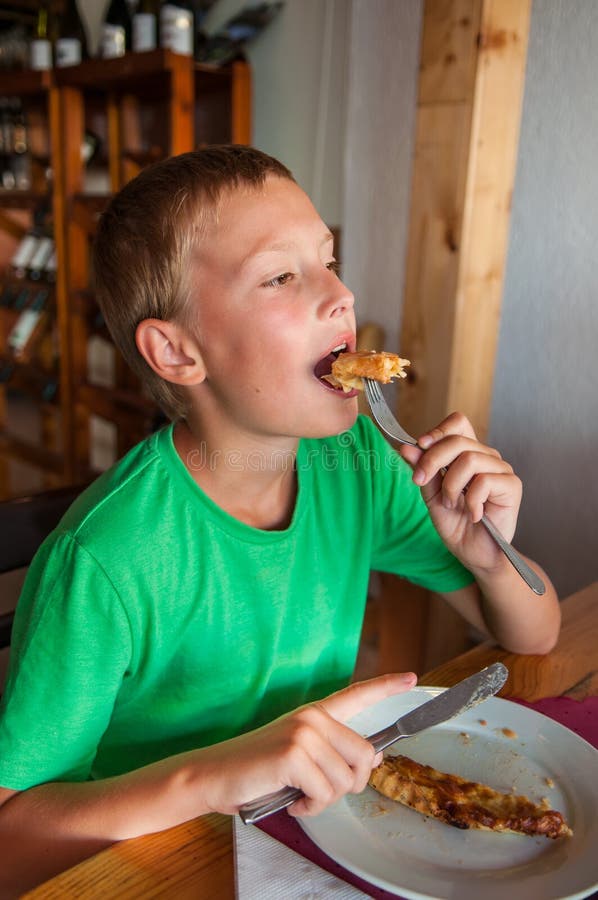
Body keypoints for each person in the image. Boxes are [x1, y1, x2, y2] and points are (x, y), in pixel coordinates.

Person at [0, 146, 560, 893]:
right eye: (281, 276)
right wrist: (216, 774)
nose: (342, 296)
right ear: (176, 351)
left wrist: (490, 555)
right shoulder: (107, 558)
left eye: (330, 260)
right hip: (151, 864)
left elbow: (539, 635)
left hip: (303, 834)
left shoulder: (356, 461)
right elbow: (11, 841)